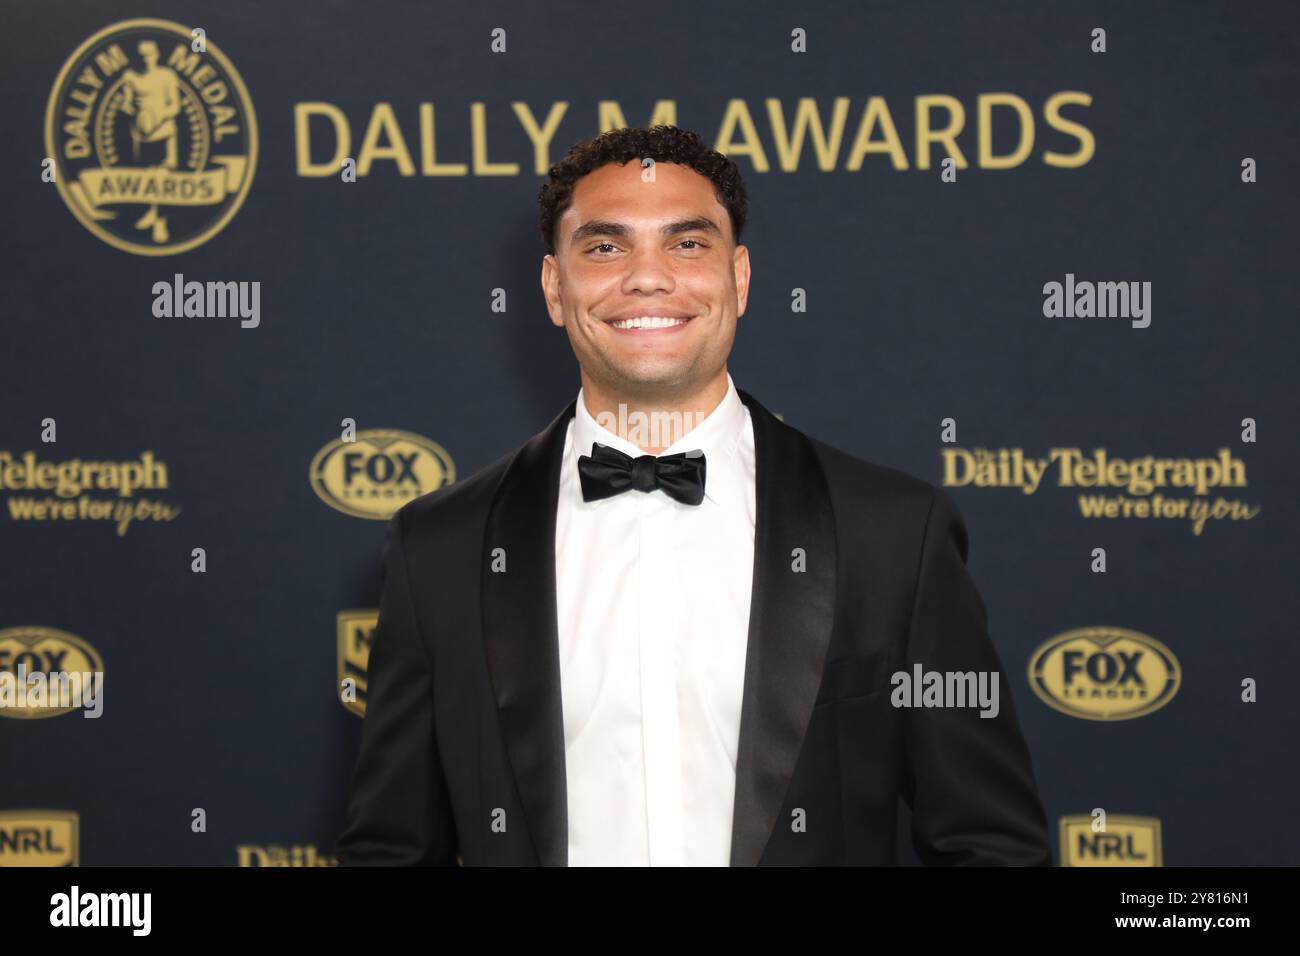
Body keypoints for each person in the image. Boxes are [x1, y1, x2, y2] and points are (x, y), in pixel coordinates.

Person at [335, 125, 1052, 866]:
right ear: (555, 287)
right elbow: (392, 850)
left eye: (687, 243)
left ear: (738, 278)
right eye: (606, 246)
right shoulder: (440, 549)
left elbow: (989, 842)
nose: (648, 278)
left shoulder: (894, 534)